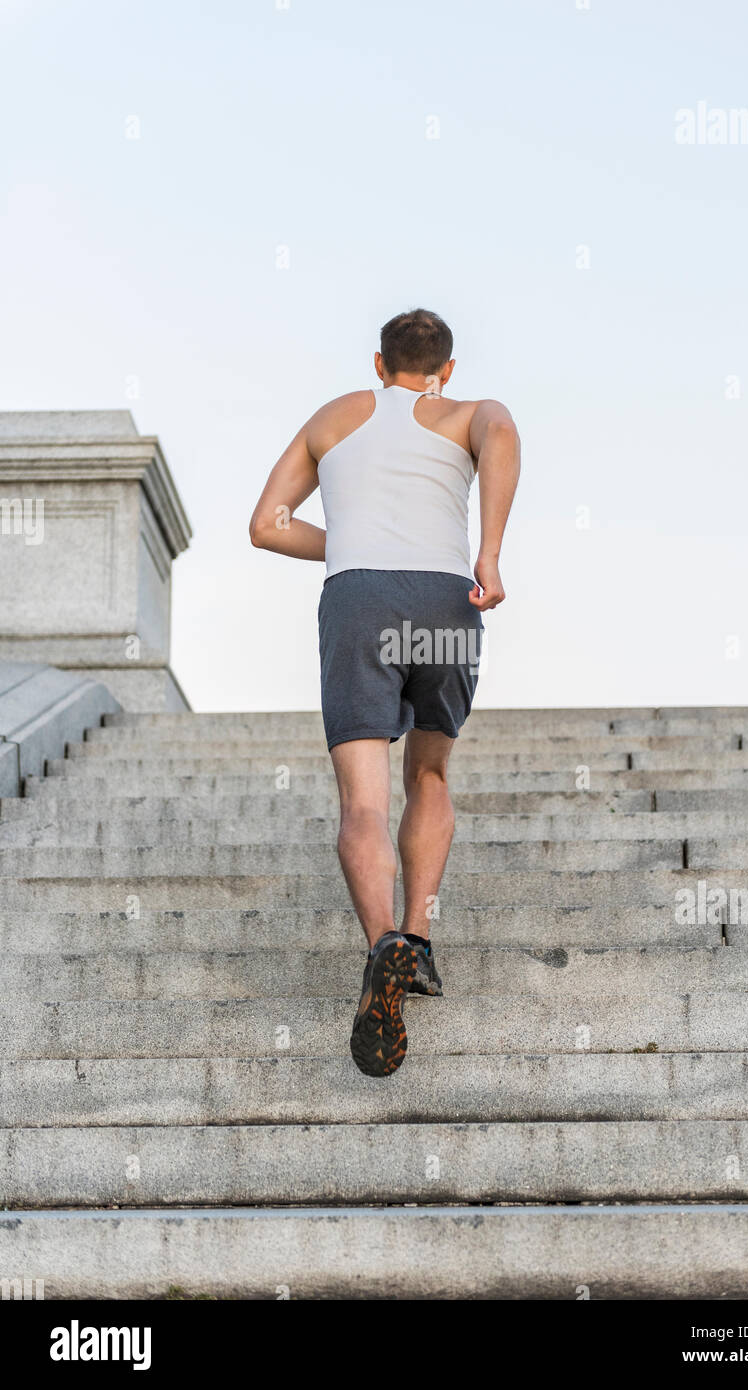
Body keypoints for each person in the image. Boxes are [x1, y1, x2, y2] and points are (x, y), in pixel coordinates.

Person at [250, 308, 520, 1076]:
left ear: (378, 364)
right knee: (429, 775)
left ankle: (383, 947)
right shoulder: (470, 410)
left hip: (358, 600)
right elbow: (501, 436)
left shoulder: (332, 418)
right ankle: (419, 939)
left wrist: (361, 543)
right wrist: (489, 557)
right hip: (443, 598)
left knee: (361, 803)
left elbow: (266, 525)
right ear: (447, 367)